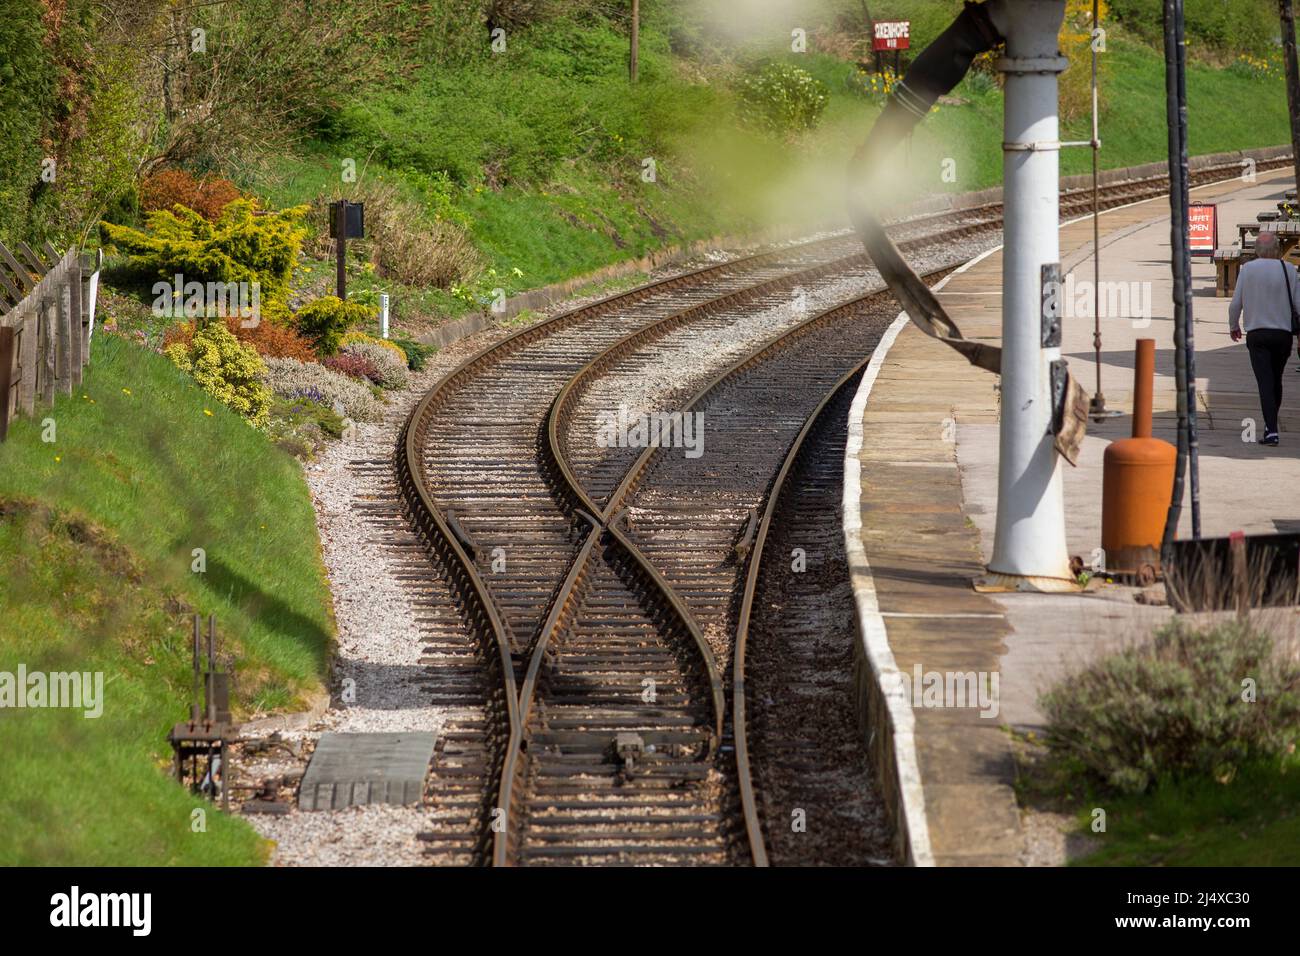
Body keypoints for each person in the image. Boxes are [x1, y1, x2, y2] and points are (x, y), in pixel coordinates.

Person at [1229, 230, 1300, 446]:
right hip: (1282, 335)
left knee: (1265, 382)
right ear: (1277, 249)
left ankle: (1271, 430)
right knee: (1275, 379)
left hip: (1257, 335)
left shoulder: (1248, 269)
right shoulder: (1288, 269)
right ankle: (1271, 426)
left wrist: (1233, 326)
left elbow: (1235, 304)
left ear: (1257, 250)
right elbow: (1298, 304)